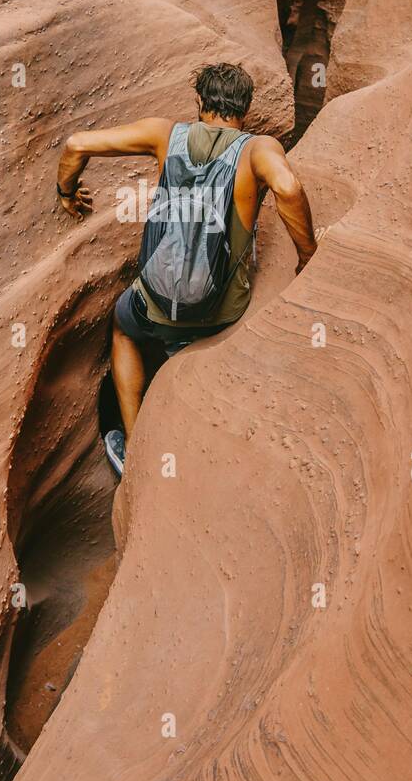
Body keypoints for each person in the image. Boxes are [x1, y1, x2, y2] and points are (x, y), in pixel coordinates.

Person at [56, 62, 317, 473]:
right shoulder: (257, 150)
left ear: (199, 103)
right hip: (219, 313)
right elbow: (288, 187)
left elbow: (75, 144)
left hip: (155, 307)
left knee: (124, 329)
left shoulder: (165, 135)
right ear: (244, 109)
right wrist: (307, 255)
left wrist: (67, 193)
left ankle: (135, 443)